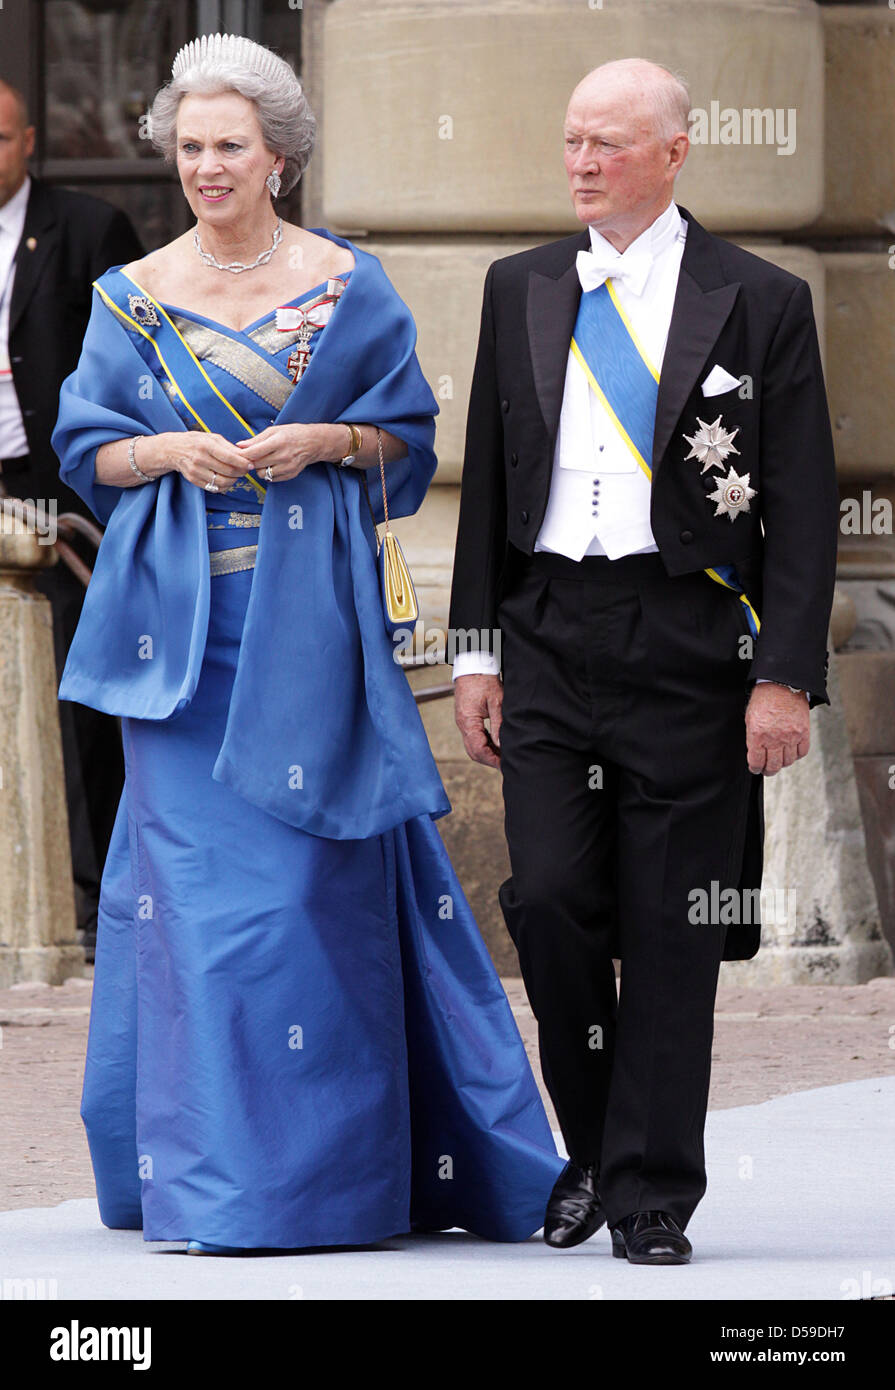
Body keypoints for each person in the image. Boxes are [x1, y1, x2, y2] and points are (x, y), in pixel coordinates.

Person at [52, 32, 563, 1255]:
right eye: (188, 148)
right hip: (178, 655)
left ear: (279, 156)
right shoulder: (132, 295)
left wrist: (327, 443)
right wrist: (168, 452)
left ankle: (332, 1186)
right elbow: (88, 452)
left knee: (303, 904)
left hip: (309, 642)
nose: (206, 168)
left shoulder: (350, 285)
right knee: (199, 912)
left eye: (229, 146)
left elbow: (408, 442)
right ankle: (220, 1186)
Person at [449, 58, 839, 1264]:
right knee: (554, 901)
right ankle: (592, 1147)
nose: (580, 163)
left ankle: (650, 1190)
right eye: (570, 141)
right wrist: (474, 650)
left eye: (607, 144)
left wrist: (782, 675)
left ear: (674, 152)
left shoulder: (757, 298)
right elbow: (485, 489)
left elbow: (806, 505)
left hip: (688, 643)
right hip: (553, 635)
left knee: (674, 926)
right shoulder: (517, 284)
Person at [0, 79, 143, 958]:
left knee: (78, 697)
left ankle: (92, 901)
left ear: (26, 143)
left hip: (57, 492)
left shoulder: (88, 229)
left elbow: (128, 368)